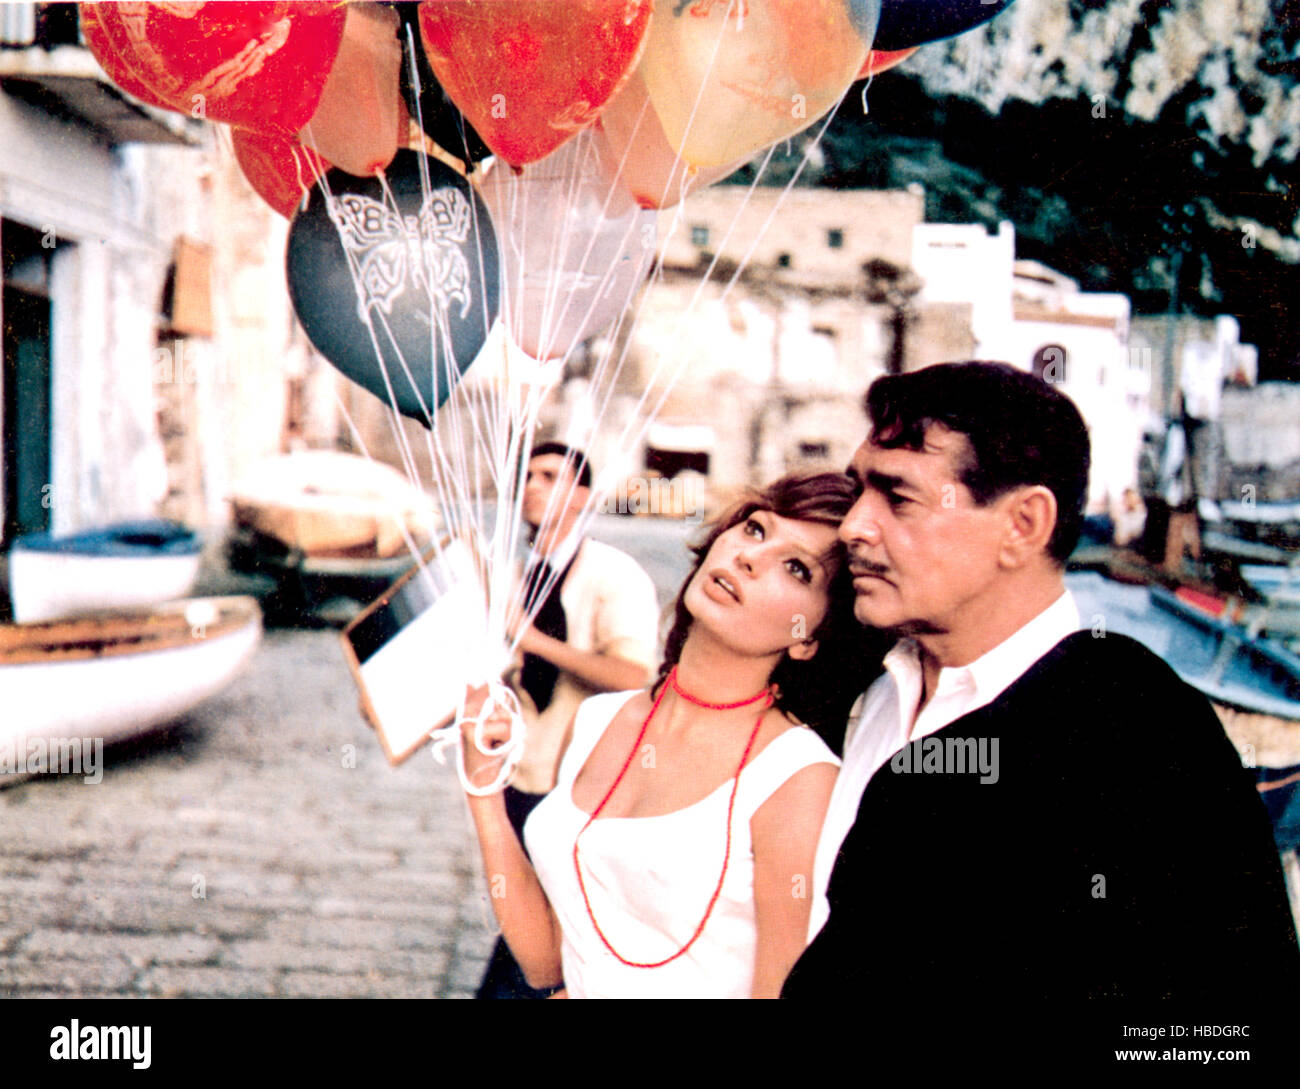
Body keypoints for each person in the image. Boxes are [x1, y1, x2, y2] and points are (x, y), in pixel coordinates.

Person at [784, 361, 1300, 1005]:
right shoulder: (839, 683)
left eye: (898, 497)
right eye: (857, 490)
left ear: (1023, 525)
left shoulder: (1143, 741)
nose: (855, 525)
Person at [462, 473, 885, 998]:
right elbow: (548, 962)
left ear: (810, 639)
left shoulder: (797, 780)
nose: (750, 557)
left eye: (796, 569)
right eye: (755, 529)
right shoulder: (597, 719)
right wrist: (483, 785)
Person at [476, 441, 660, 999]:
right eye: (528, 474)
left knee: (545, 933)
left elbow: (635, 675)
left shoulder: (614, 574)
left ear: (582, 496)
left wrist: (533, 641)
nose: (533, 484)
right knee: (527, 915)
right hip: (521, 774)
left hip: (580, 781)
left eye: (551, 476)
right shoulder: (513, 574)